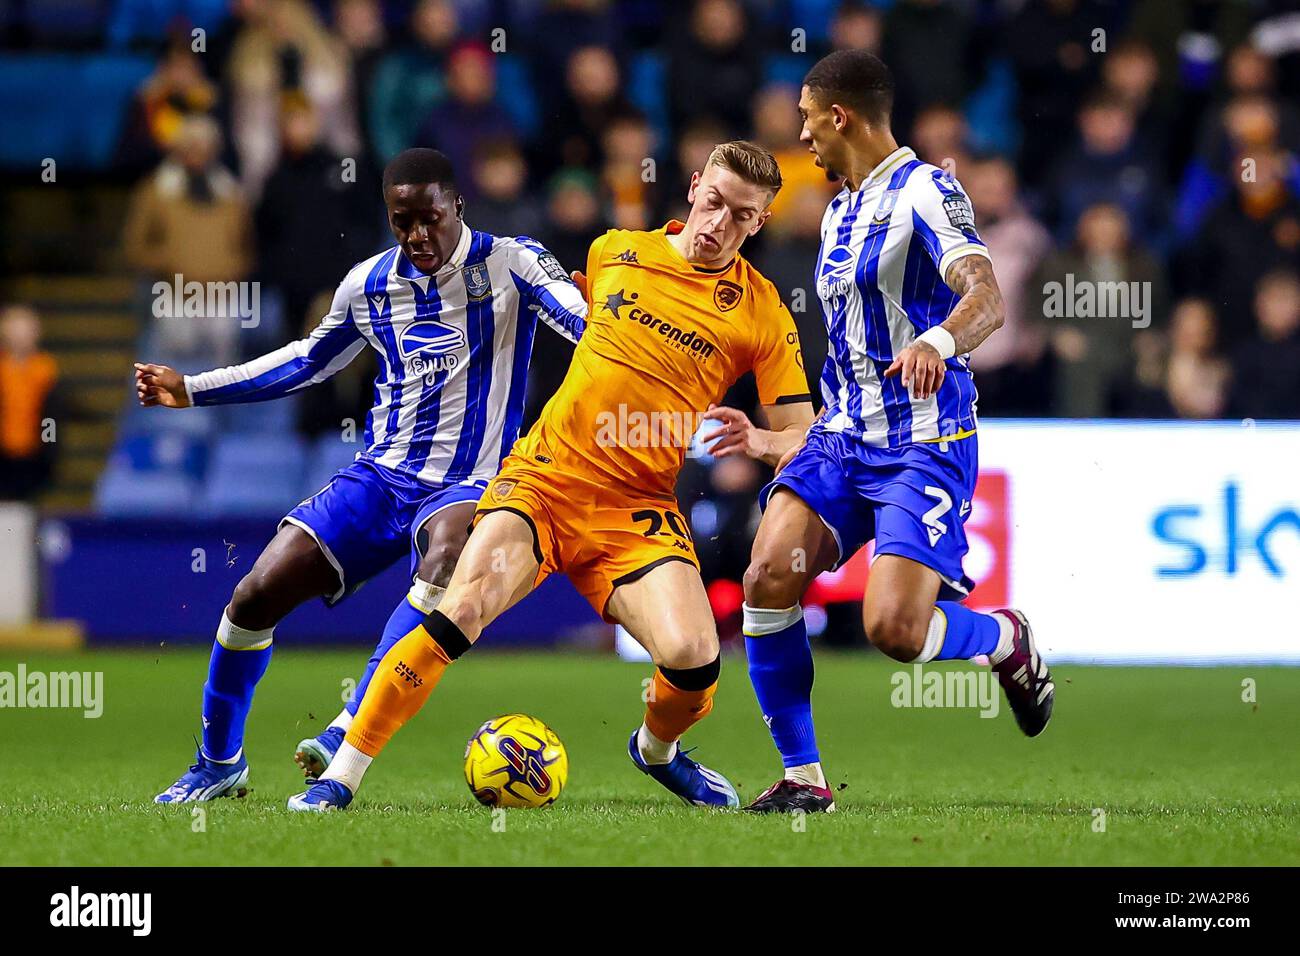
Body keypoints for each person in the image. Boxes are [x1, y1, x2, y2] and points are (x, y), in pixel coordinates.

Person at [288, 140, 815, 811]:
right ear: (692, 188)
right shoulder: (614, 251)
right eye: (714, 201)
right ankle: (343, 777)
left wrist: (761, 439)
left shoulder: (761, 311)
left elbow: (802, 435)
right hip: (545, 481)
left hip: (637, 510)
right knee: (463, 606)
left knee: (693, 658)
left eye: (741, 216)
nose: (720, 224)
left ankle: (656, 751)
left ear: (760, 222)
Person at [140, 149, 587, 803]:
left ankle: (352, 724)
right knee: (253, 595)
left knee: (449, 554)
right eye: (402, 221)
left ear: (457, 207)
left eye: (430, 219)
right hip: (380, 477)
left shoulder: (513, 261)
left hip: (473, 478)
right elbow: (304, 362)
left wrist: (615, 315)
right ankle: (218, 761)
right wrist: (194, 390)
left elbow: (580, 318)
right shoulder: (371, 283)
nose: (418, 236)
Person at [740, 50, 1055, 815]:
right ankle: (803, 779)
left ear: (838, 115)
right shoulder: (842, 207)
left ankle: (1002, 641)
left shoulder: (927, 190)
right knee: (766, 578)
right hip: (841, 439)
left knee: (895, 629)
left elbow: (985, 296)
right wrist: (786, 438)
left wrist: (937, 342)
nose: (803, 136)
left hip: (924, 441)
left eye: (808, 120)